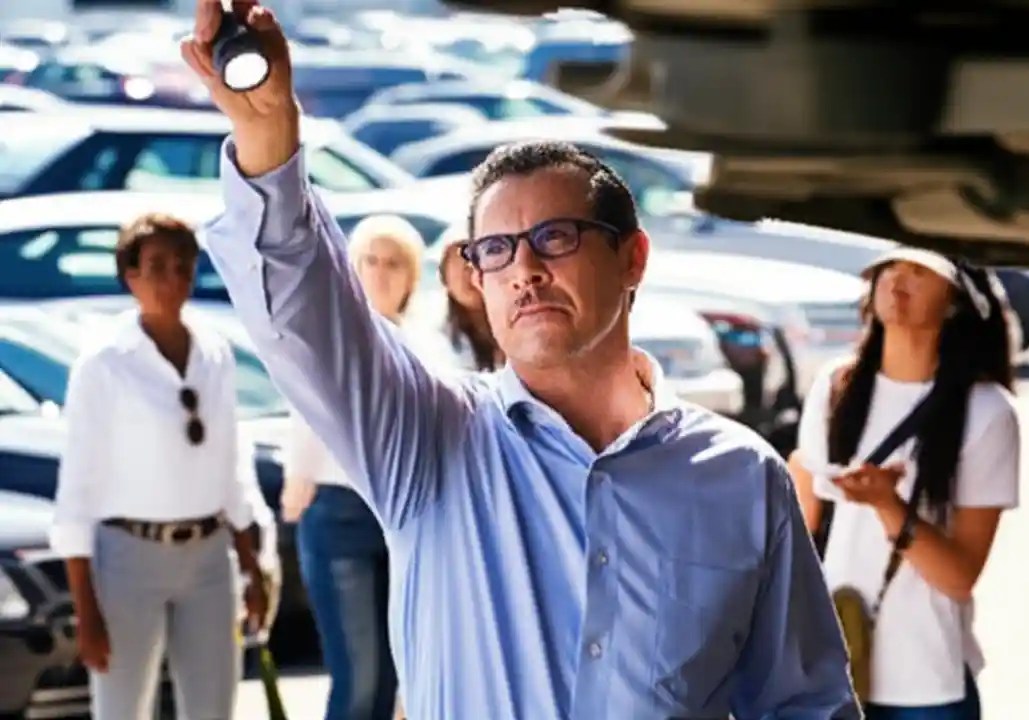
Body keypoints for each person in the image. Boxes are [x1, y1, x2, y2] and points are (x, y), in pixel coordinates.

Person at [182, 4, 857, 719]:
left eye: (555, 237)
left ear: (633, 258)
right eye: (495, 250)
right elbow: (305, 316)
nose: (524, 270)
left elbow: (805, 704)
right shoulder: (433, 437)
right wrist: (266, 137)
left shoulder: (739, 476)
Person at [49, 212, 270, 719]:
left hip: (210, 557)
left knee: (213, 707)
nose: (172, 279)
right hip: (128, 557)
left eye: (183, 266)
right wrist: (86, 610)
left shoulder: (214, 351)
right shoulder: (103, 362)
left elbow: (230, 464)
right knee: (123, 709)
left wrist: (253, 565)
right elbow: (77, 488)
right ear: (131, 276)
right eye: (157, 267)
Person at [797, 247, 1020, 719]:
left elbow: (959, 576)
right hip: (834, 667)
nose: (897, 283)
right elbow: (799, 526)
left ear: (957, 299)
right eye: (888, 269)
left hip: (926, 682)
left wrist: (887, 504)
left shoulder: (987, 411)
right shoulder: (836, 385)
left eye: (920, 272)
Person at [279, 214, 426, 720]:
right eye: (371, 260)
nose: (382, 272)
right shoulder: (333, 331)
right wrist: (298, 474)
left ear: (412, 277)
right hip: (340, 512)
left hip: (401, 517)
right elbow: (309, 406)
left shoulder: (422, 342)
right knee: (359, 680)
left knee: (392, 679)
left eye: (394, 263)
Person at [435, 229, 504, 371]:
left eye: (476, 258)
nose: (469, 271)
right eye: (458, 262)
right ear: (444, 277)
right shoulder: (432, 343)